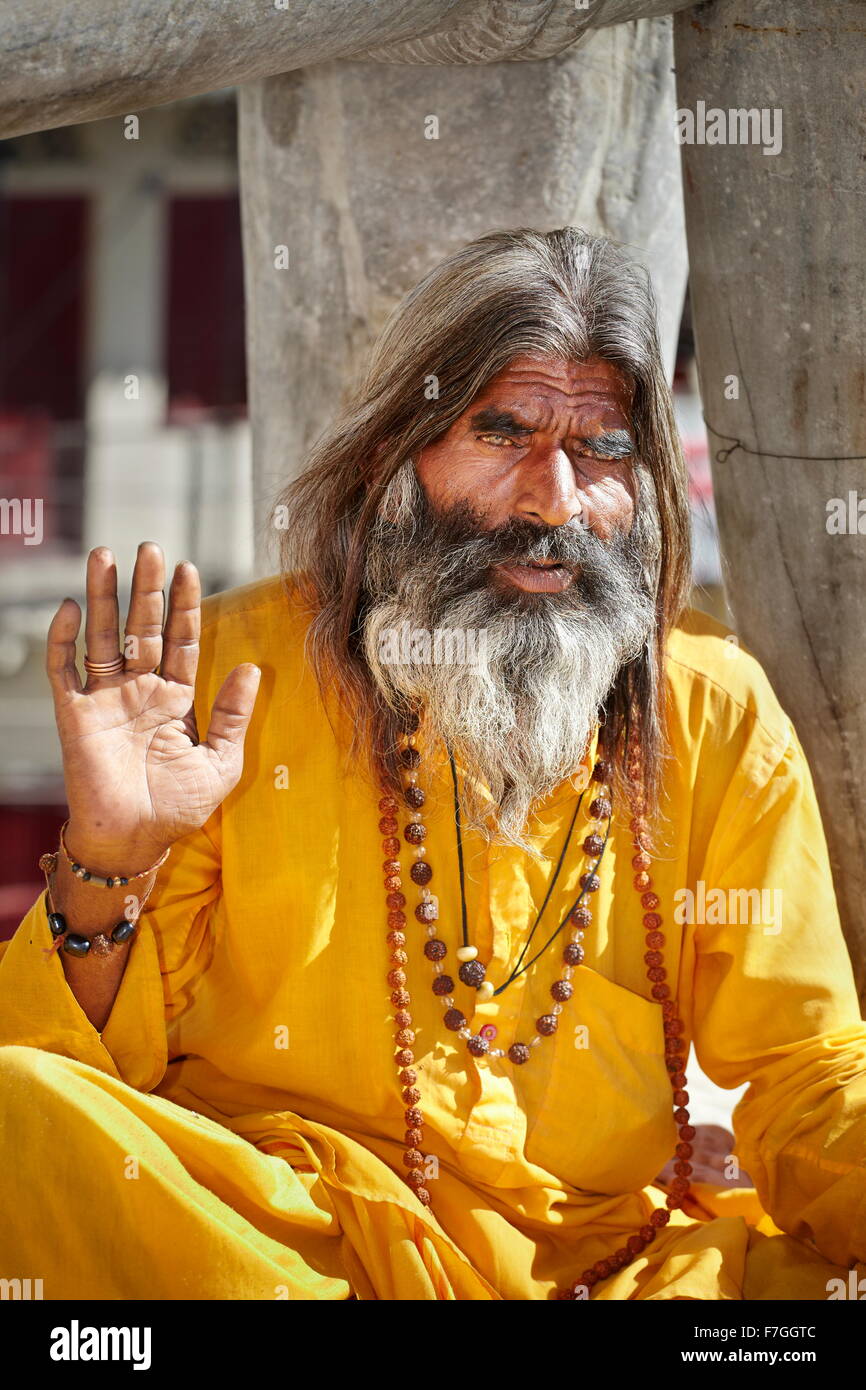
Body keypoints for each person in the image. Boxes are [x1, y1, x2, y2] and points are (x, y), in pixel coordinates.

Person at [1, 227, 864, 1302]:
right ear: (392, 457)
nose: (553, 500)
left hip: (613, 1273)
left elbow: (806, 1075)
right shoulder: (234, 681)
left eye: (599, 449)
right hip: (292, 1247)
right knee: (18, 1110)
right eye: (500, 430)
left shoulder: (710, 707)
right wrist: (110, 856)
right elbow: (82, 1071)